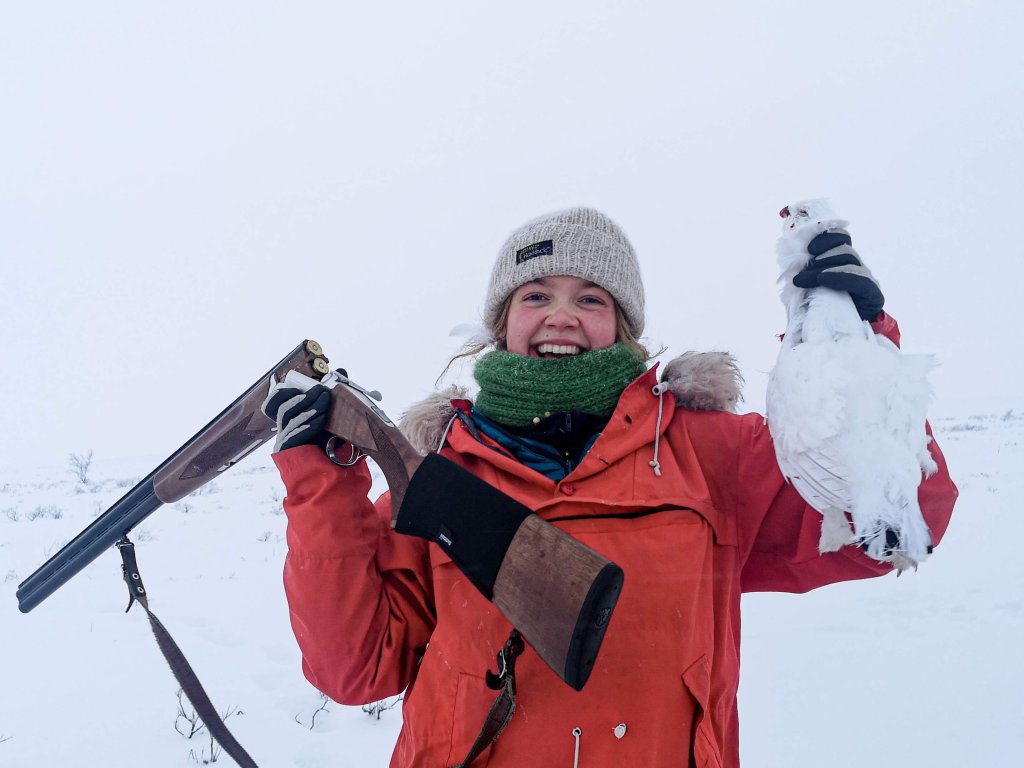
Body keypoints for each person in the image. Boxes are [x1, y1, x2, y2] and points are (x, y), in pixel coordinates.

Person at [264, 207, 957, 768]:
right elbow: (353, 669)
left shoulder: (708, 452)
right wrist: (320, 479)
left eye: (589, 298)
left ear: (622, 325)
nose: (560, 316)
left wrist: (848, 344)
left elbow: (894, 523)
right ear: (502, 323)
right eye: (536, 295)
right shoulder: (437, 473)